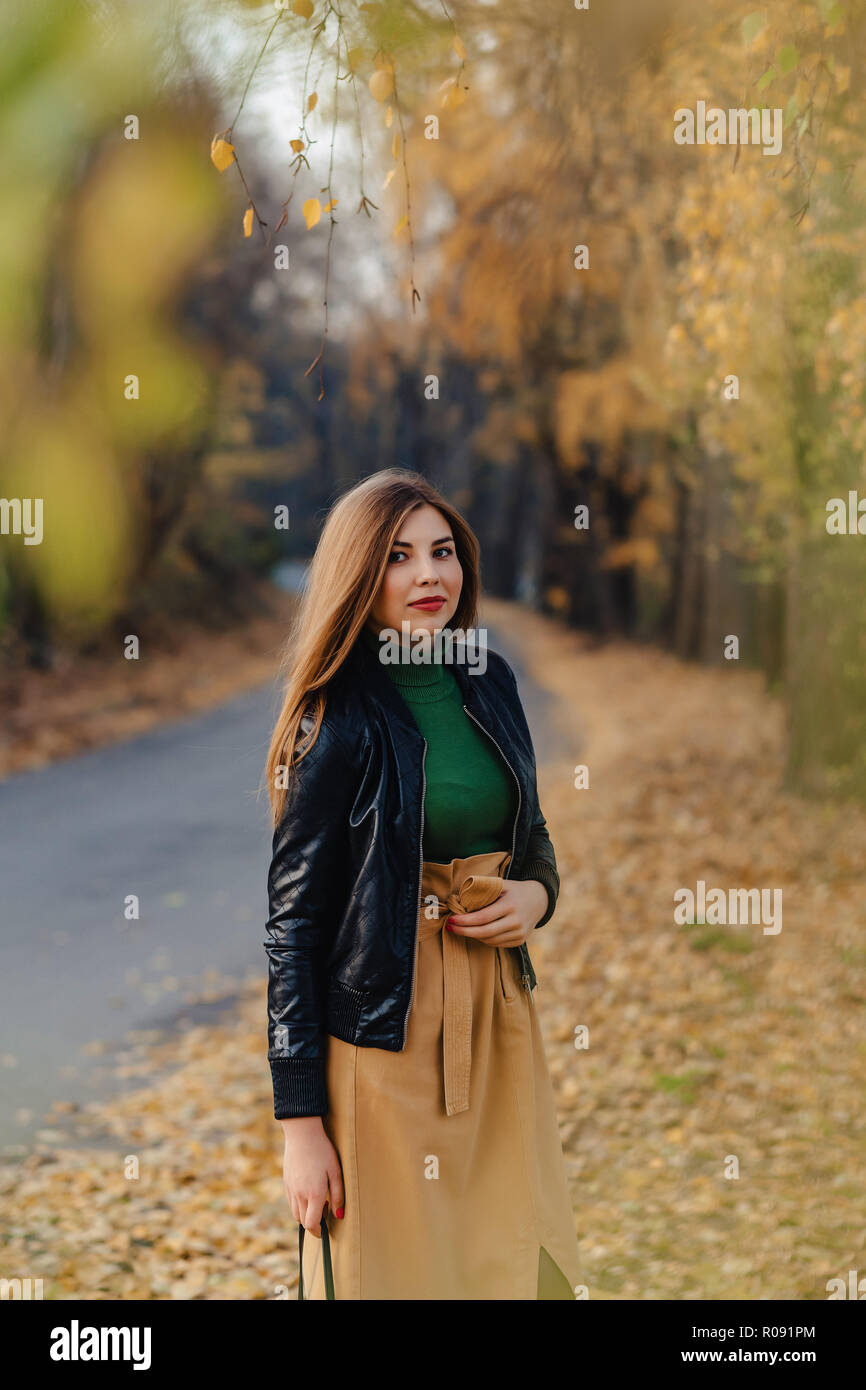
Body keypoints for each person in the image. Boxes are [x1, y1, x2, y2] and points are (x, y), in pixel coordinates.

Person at [262, 468, 581, 1299]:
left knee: (516, 1264)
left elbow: (534, 837)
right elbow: (292, 926)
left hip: (501, 1021)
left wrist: (535, 898)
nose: (429, 575)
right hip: (382, 1037)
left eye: (443, 552)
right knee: (393, 1275)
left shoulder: (490, 682)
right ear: (360, 574)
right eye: (399, 557)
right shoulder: (332, 717)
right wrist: (300, 1125)